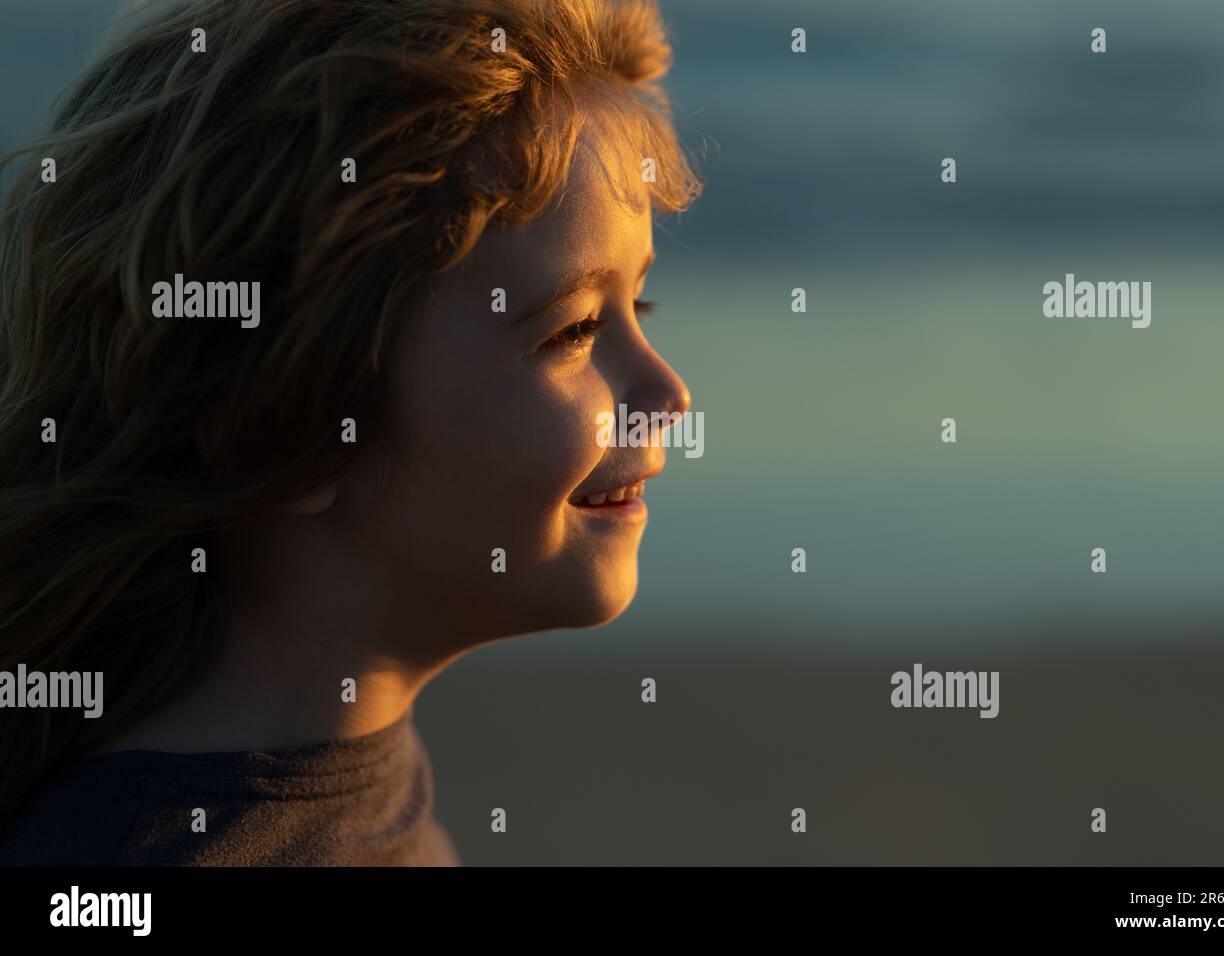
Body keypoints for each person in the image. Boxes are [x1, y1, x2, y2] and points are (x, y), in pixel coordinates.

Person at [0, 0, 700, 866]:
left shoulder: (341, 771)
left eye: (639, 304)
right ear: (276, 420)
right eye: (574, 332)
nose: (668, 392)